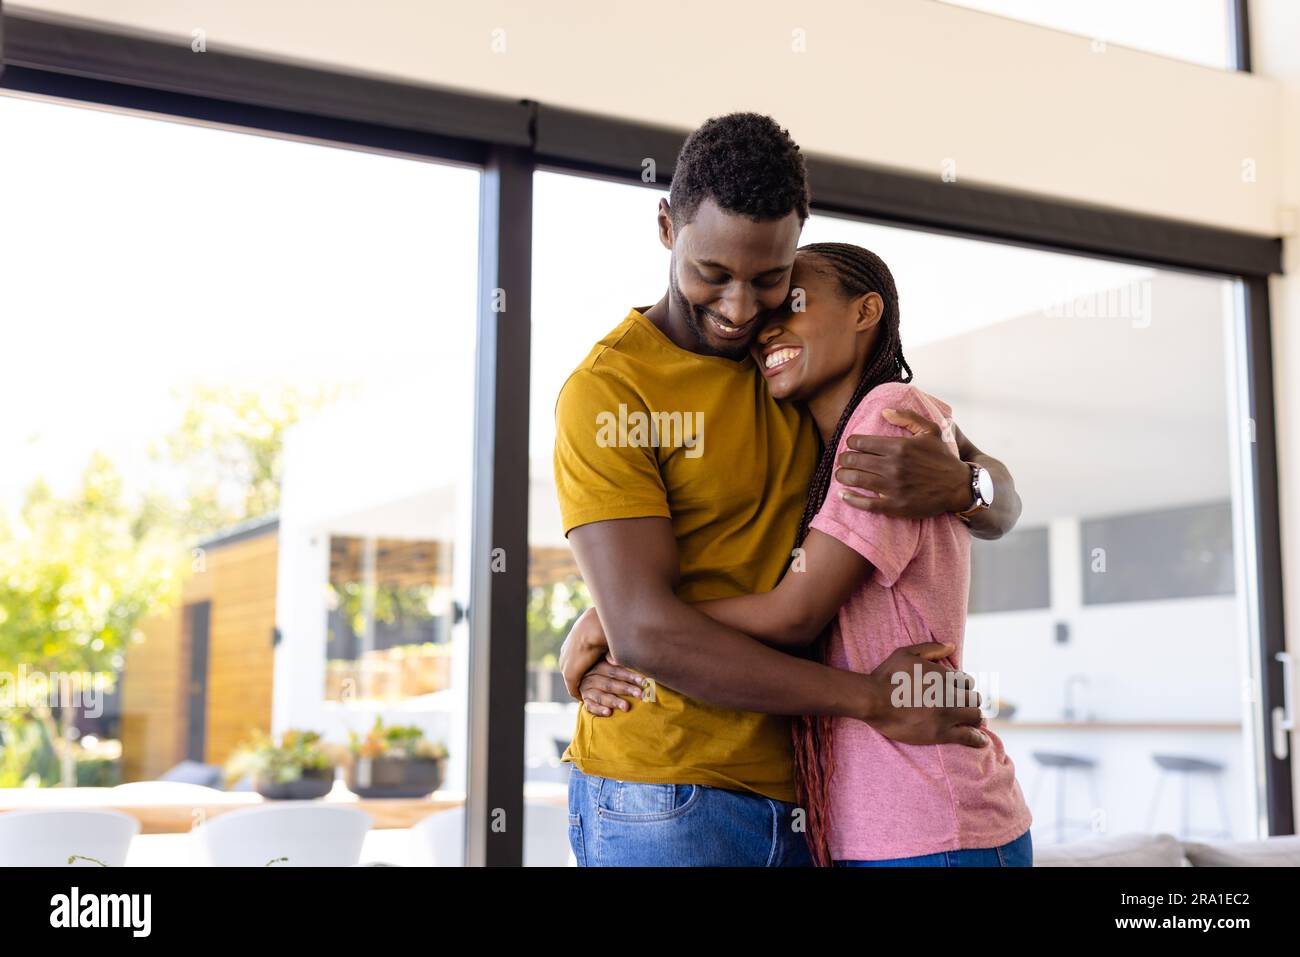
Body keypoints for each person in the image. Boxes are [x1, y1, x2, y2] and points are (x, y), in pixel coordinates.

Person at [553, 112, 1021, 867]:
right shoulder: (612, 391)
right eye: (714, 275)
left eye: (768, 279)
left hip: (813, 788)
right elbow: (645, 629)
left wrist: (961, 482)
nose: (740, 310)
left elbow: (1001, 501)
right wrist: (874, 698)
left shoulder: (796, 359)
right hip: (666, 788)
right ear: (668, 228)